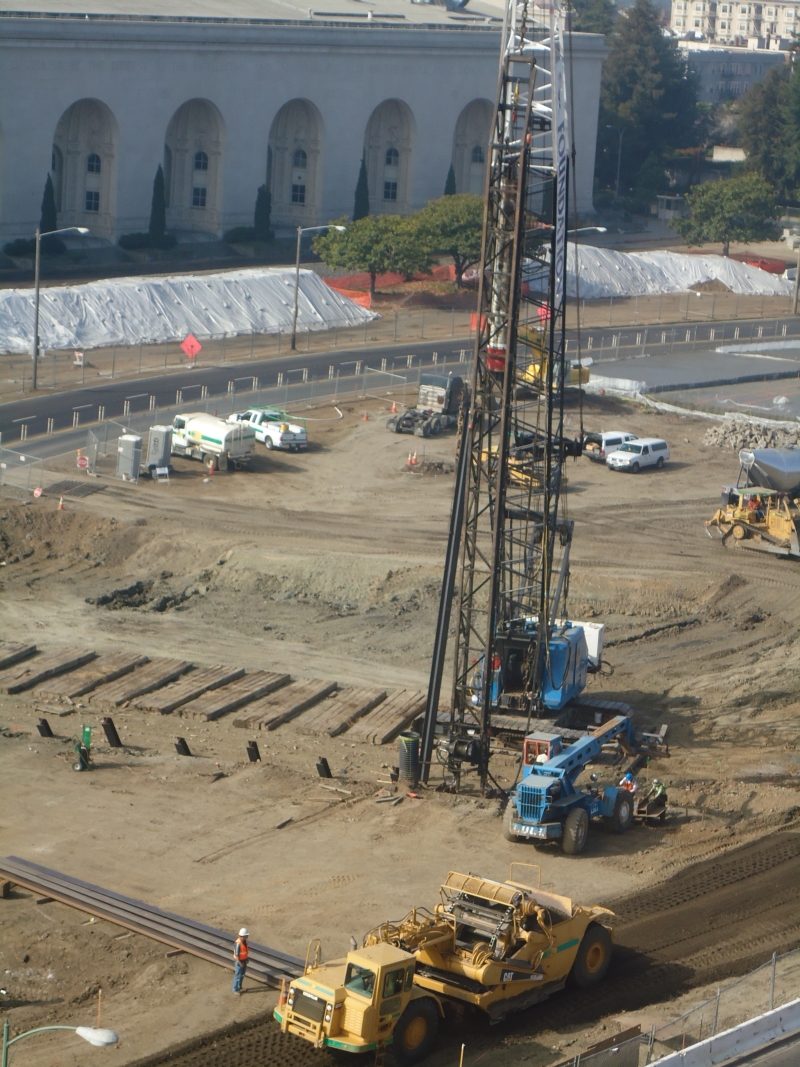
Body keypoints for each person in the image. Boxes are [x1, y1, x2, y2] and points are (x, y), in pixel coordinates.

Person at [233, 927, 249, 995]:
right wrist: (240, 963)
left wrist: (246, 958)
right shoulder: (238, 943)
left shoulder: (244, 942)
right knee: (238, 975)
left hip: (244, 960)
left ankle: (239, 987)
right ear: (243, 935)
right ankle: (235, 989)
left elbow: (245, 951)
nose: (247, 937)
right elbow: (236, 955)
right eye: (246, 935)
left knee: (242, 975)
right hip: (239, 961)